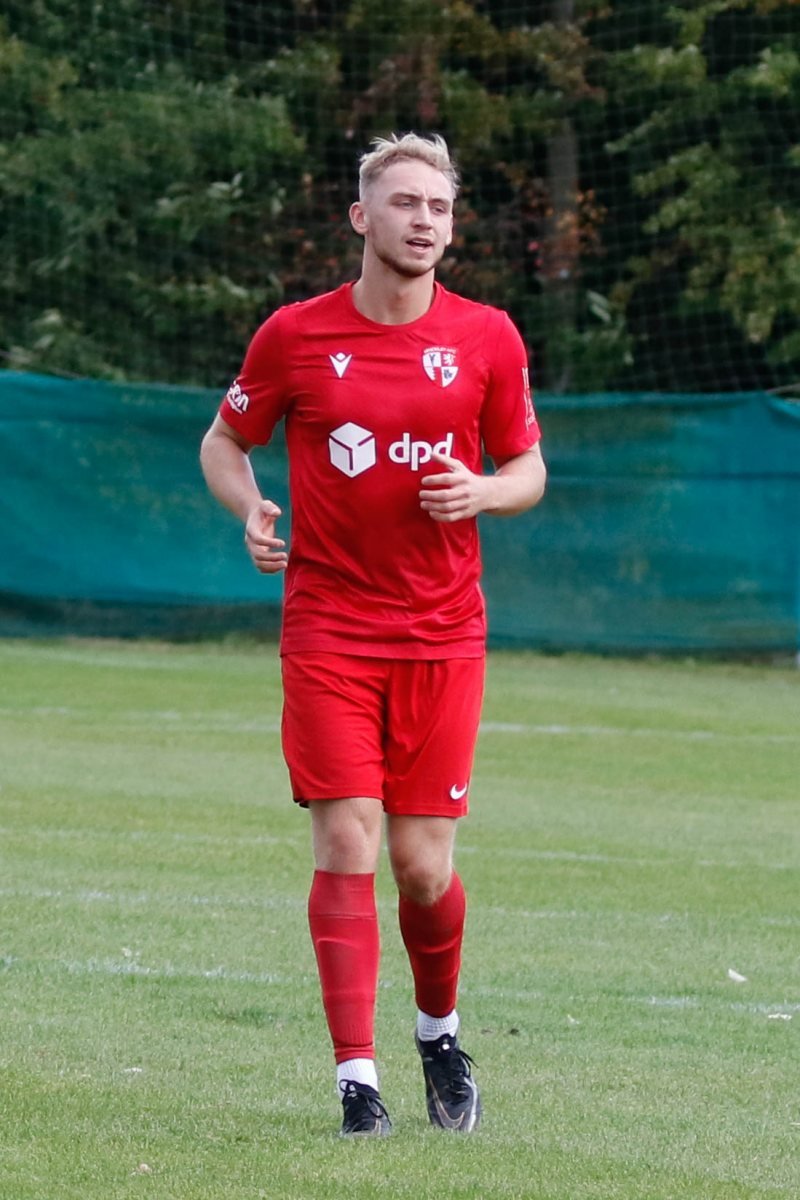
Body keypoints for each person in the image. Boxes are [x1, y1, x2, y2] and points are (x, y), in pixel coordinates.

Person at [200, 132, 546, 1137]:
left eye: (438, 207)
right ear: (362, 217)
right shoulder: (295, 335)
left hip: (443, 633)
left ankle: (438, 1035)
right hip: (328, 627)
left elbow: (527, 468)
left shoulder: (487, 337)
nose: (423, 220)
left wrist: (483, 491)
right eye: (404, 202)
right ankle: (358, 1083)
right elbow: (225, 439)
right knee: (346, 837)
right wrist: (250, 509)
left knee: (421, 867)